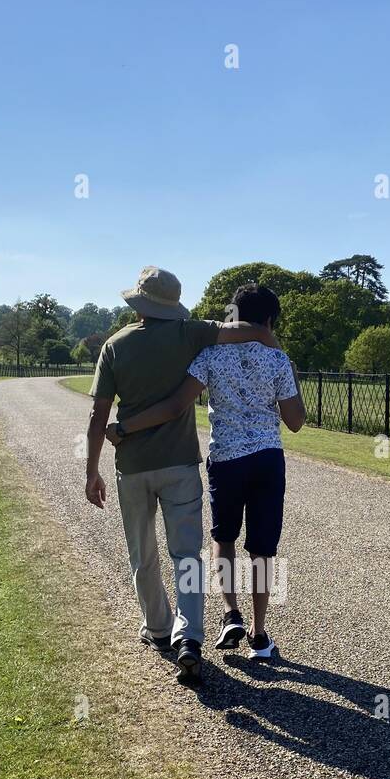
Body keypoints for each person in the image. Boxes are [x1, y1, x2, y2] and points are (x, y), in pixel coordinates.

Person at [85, 266, 278, 685]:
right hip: (179, 464)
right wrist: (268, 335)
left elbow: (99, 413)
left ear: (138, 303)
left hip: (131, 467)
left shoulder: (114, 346)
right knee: (186, 554)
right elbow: (242, 328)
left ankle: (157, 628)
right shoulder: (191, 333)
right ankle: (189, 636)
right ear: (173, 304)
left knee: (143, 554)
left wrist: (91, 471)